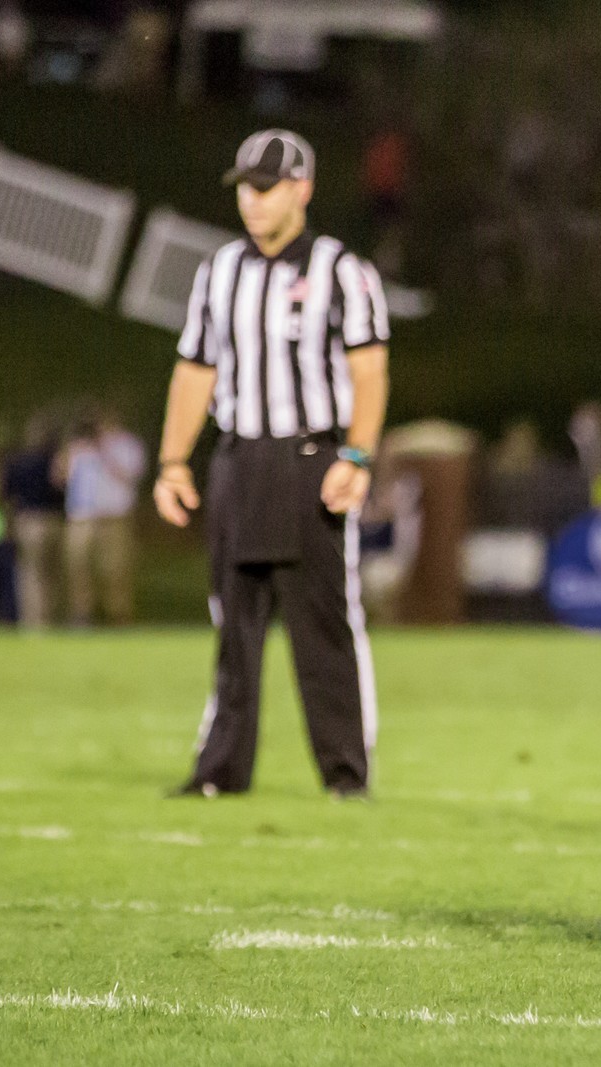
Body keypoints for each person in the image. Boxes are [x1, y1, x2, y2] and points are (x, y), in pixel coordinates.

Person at [154, 129, 389, 800]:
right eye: (246, 190)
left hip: (312, 455)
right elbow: (195, 369)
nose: (252, 203)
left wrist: (358, 455)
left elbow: (368, 370)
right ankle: (220, 771)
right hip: (239, 457)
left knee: (324, 624)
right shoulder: (218, 269)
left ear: (301, 189)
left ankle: (346, 773)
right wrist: (174, 461)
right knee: (233, 623)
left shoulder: (342, 269)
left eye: (265, 188)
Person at [58, 409, 146, 626]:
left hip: (113, 517)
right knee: (78, 566)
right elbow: (61, 478)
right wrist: (68, 452)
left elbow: (129, 477)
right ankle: (82, 614)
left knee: (115, 568)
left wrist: (104, 452)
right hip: (82, 516)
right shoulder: (80, 447)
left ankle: (118, 614)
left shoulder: (128, 445)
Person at [2, 415, 66, 628]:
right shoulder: (55, 460)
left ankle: (35, 622)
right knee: (49, 572)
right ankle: (46, 619)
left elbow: (6, 495)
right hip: (52, 520)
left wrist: (9, 523)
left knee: (32, 573)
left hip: (30, 520)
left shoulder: (18, 460)